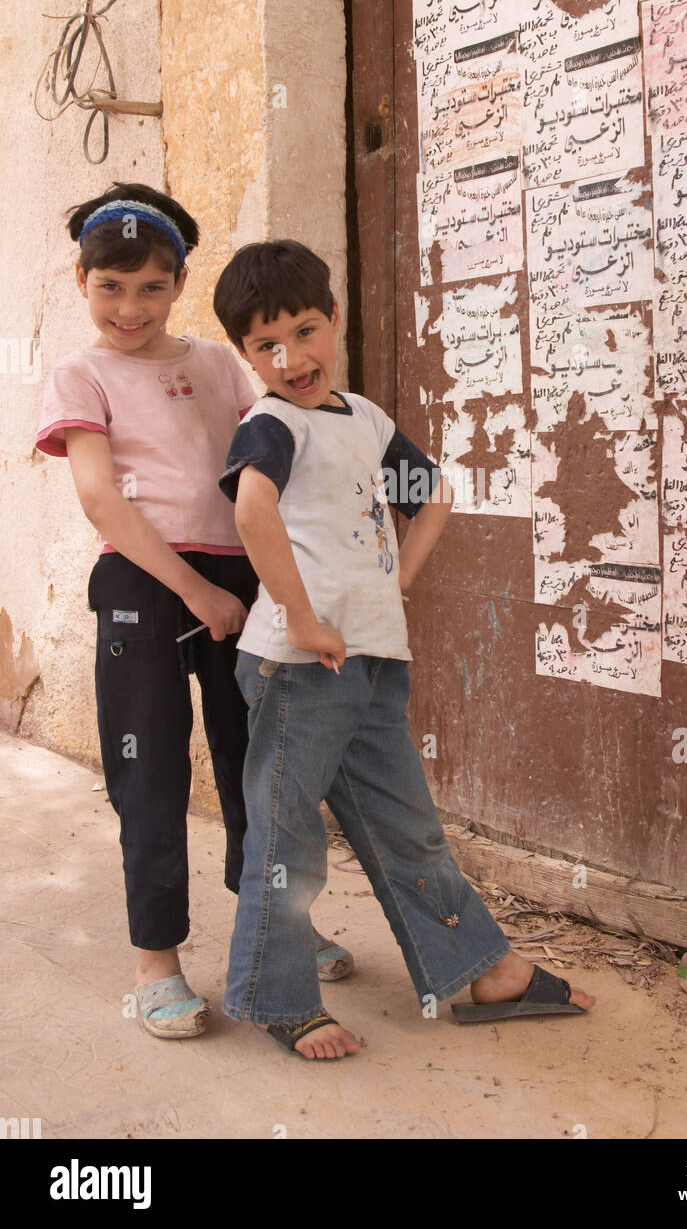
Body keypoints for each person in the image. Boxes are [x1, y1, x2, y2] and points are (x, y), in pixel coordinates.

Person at [212, 239, 596, 1059]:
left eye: (305, 332)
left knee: (409, 825)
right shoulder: (272, 424)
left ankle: (482, 970)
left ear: (334, 319)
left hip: (372, 660)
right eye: (265, 346)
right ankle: (276, 999)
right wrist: (303, 616)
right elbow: (252, 516)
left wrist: (399, 585)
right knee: (289, 840)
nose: (292, 357)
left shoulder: (364, 417)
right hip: (296, 665)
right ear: (245, 356)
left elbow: (432, 494)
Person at [35, 186, 353, 1040]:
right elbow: (103, 501)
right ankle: (156, 965)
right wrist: (195, 592)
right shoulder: (80, 373)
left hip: (241, 578)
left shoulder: (219, 365)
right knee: (151, 774)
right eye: (110, 287)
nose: (129, 308)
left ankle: (278, 922)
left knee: (260, 762)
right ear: (81, 281)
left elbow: (275, 457)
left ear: (178, 283)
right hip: (145, 584)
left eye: (149, 287)